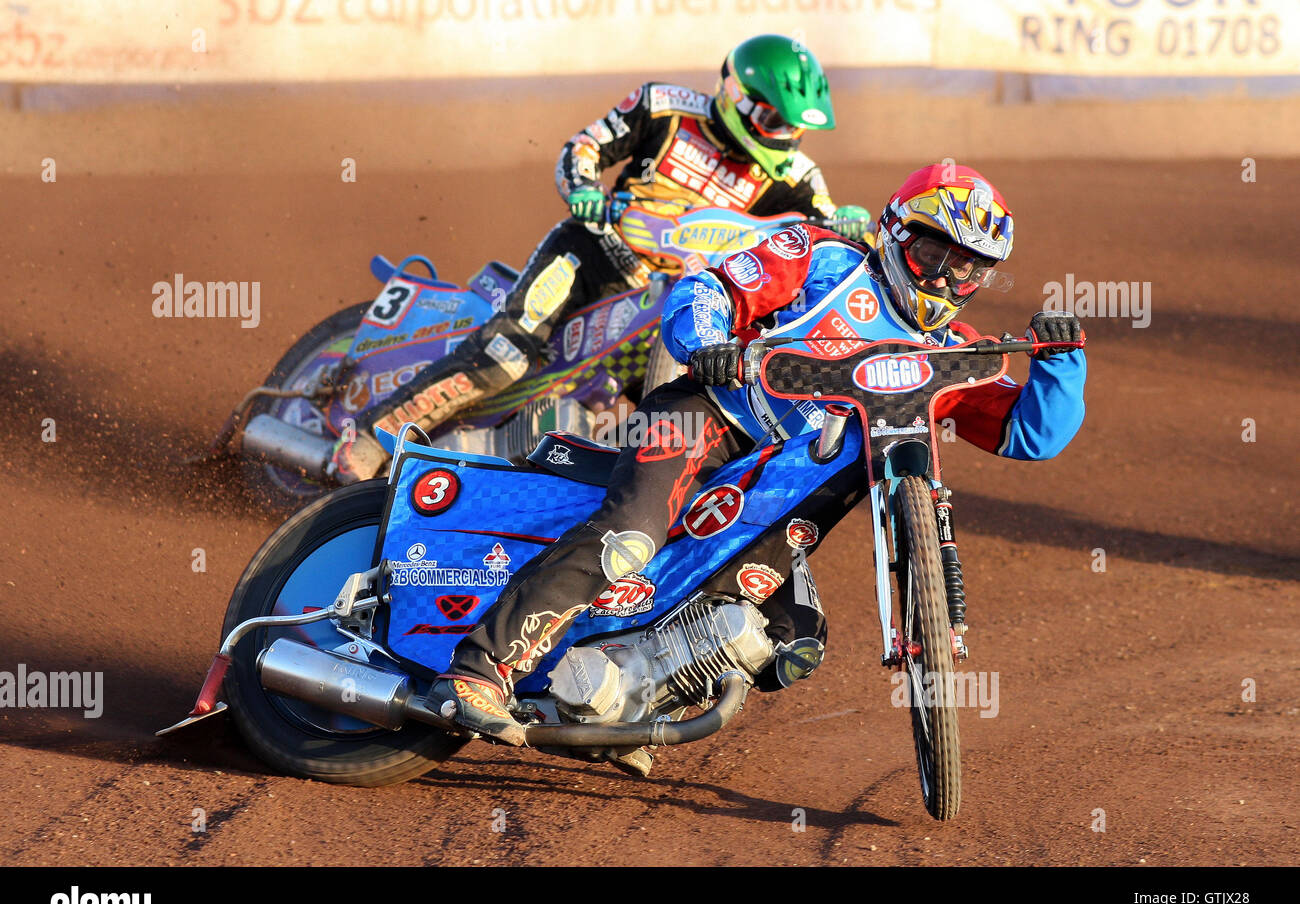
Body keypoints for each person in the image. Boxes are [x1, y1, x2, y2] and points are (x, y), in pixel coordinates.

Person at [427, 163, 1087, 749]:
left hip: (778, 485)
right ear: (891, 231)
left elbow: (1034, 434)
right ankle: (476, 673)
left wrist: (1063, 362)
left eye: (967, 265)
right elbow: (706, 288)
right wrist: (706, 341)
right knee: (630, 538)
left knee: (790, 642)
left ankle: (621, 701)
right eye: (930, 251)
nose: (945, 274)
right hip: (708, 420)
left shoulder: (951, 355)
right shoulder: (823, 257)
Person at [330, 34, 874, 482]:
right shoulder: (662, 107)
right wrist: (584, 187)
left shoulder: (796, 175)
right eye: (776, 121)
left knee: (701, 398)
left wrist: (849, 228)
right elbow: (582, 149)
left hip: (688, 296)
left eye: (797, 126)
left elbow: (816, 235)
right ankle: (369, 442)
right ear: (738, 98)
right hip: (597, 254)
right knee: (506, 355)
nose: (788, 136)